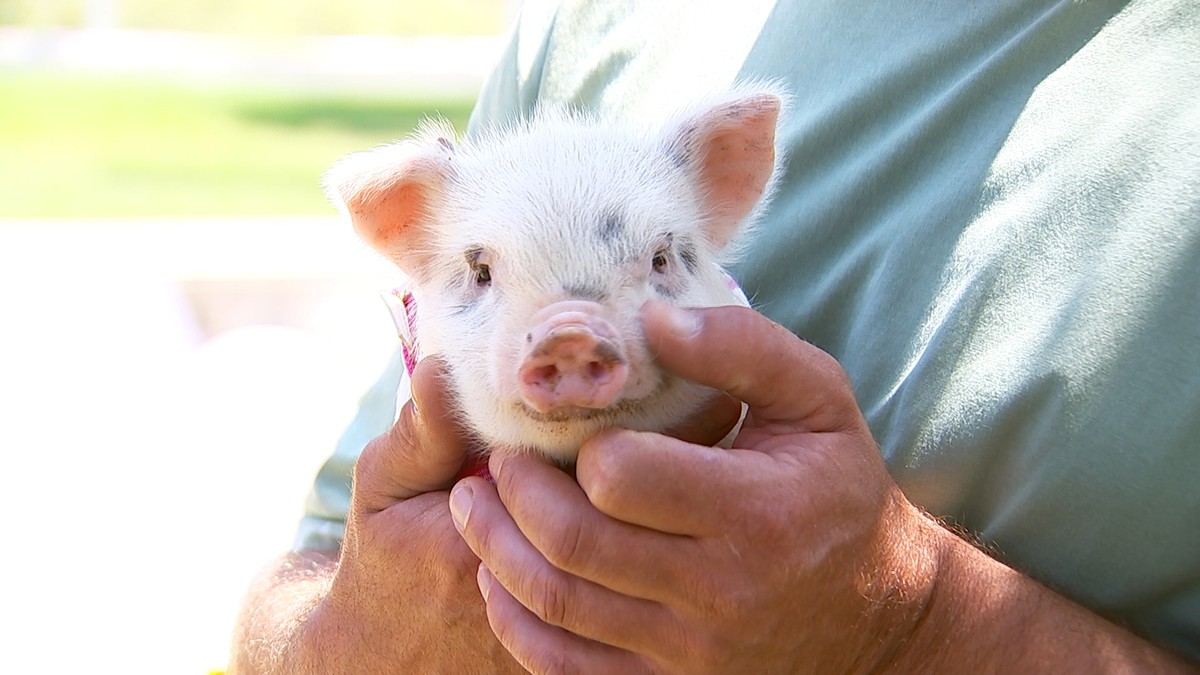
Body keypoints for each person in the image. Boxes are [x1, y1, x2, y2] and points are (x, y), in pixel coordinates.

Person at [229, 0, 1200, 671]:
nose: (568, 338)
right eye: (480, 273)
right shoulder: (608, 18)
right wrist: (353, 638)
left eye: (659, 260)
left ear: (726, 189)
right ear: (412, 235)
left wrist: (898, 633)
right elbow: (308, 585)